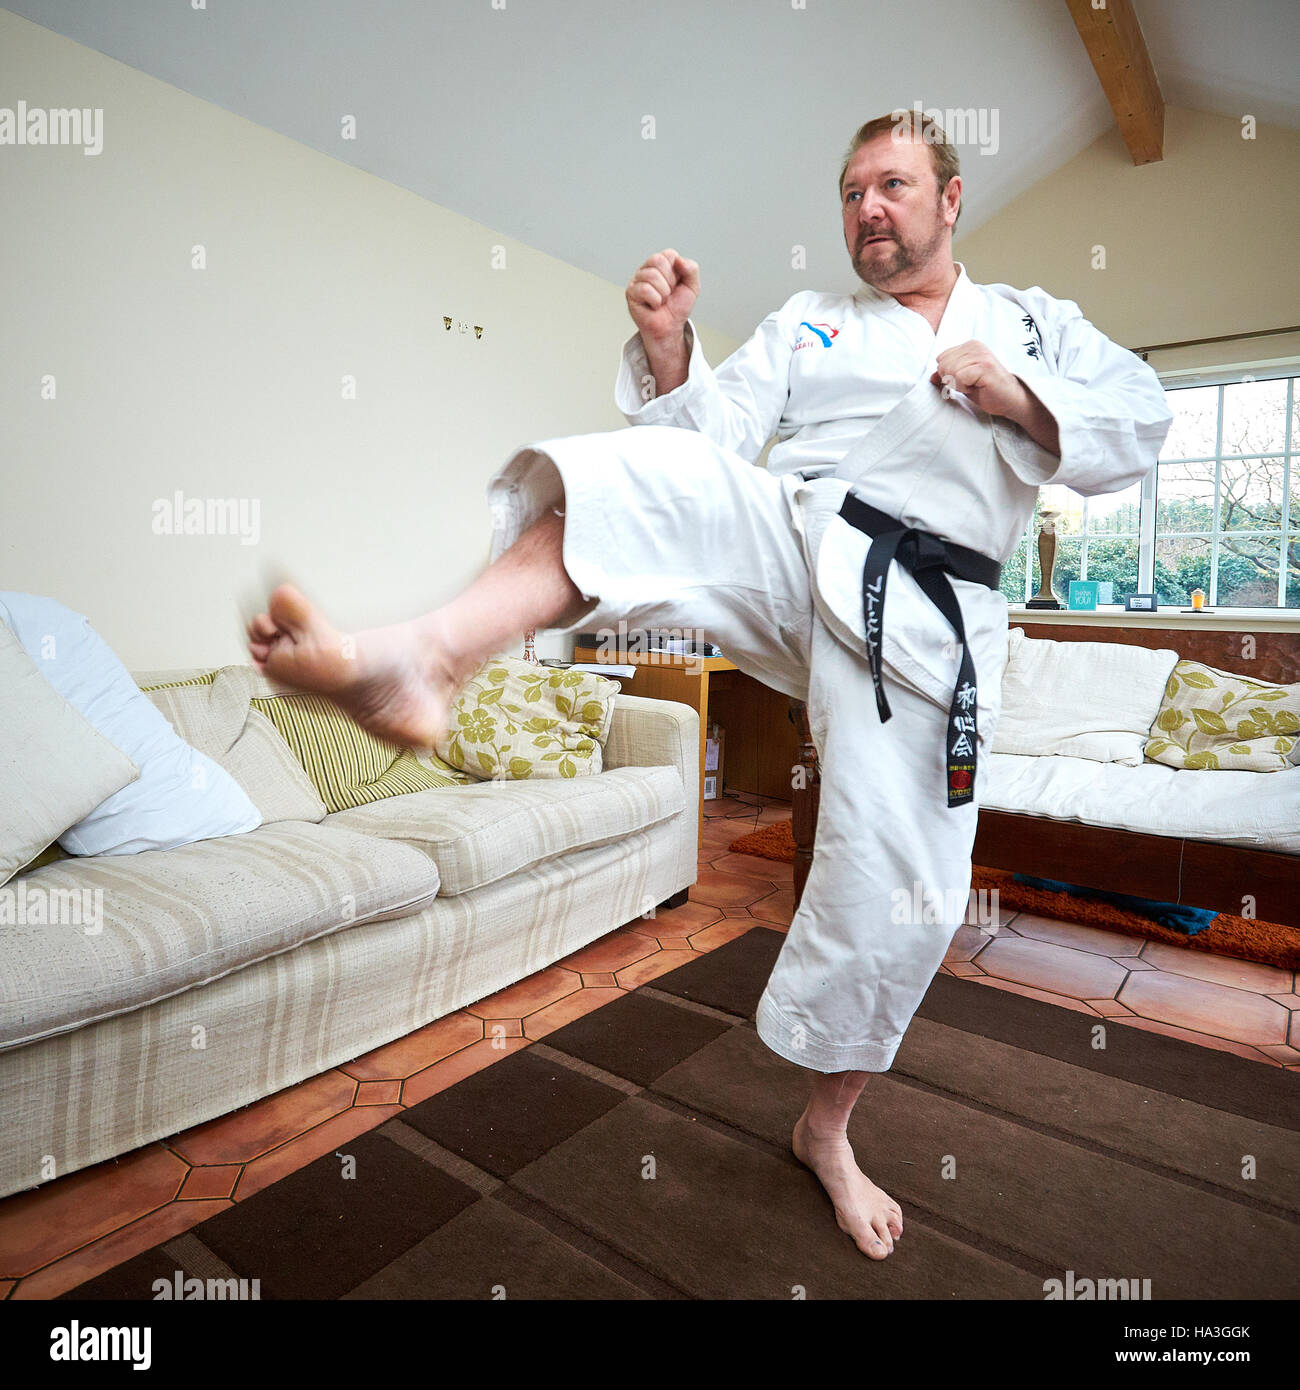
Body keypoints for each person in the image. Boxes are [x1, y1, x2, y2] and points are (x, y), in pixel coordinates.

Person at [246, 110, 1172, 1260]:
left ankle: (826, 1128)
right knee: (658, 479)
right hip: (801, 540)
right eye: (848, 192)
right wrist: (673, 349)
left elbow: (1141, 420)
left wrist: (1018, 394)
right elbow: (714, 437)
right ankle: (424, 656)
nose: (866, 209)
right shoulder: (809, 325)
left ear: (950, 196)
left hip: (930, 621)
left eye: (890, 185)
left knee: (911, 893)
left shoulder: (1036, 322)